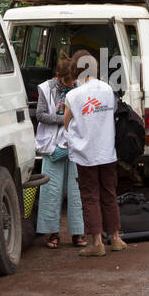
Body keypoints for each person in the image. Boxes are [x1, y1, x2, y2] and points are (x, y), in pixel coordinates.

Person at [63, 52, 125, 258]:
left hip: (85, 153)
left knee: (90, 196)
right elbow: (112, 112)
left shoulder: (74, 95)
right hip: (107, 151)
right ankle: (115, 238)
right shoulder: (107, 89)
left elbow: (66, 121)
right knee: (109, 193)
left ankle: (97, 242)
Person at [34, 56, 86, 249]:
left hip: (76, 146)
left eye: (73, 80)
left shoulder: (80, 87)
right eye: (67, 81)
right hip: (52, 146)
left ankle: (78, 233)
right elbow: (40, 114)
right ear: (58, 76)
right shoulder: (45, 88)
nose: (71, 84)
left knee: (77, 190)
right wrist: (63, 119)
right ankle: (53, 233)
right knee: (51, 190)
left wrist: (71, 120)